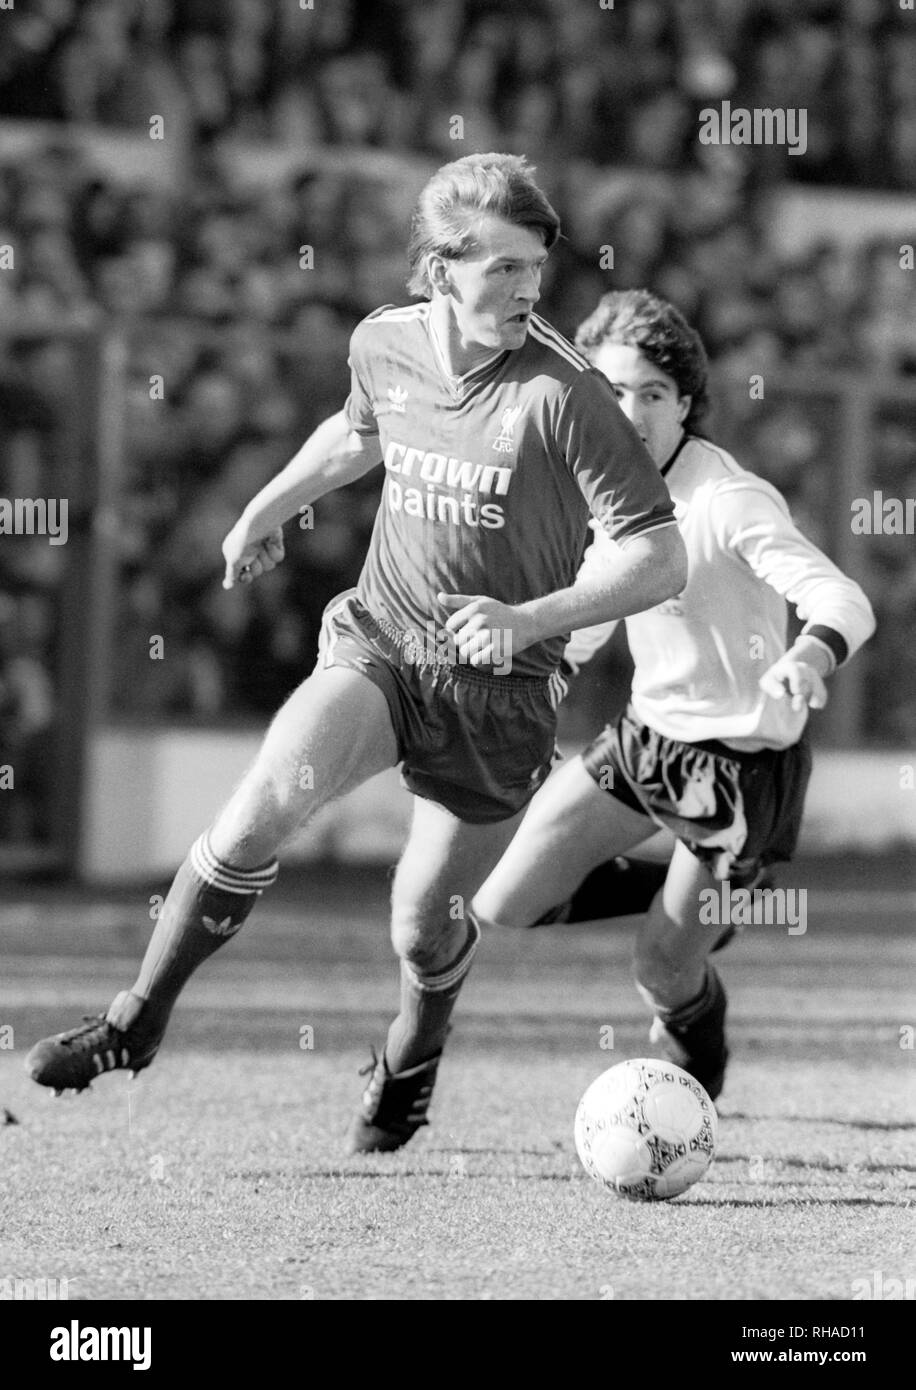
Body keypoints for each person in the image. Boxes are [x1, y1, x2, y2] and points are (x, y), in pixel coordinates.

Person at [26, 157, 686, 1152]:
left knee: (420, 926)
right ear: (435, 269)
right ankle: (136, 1019)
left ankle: (411, 1057)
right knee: (261, 808)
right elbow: (355, 432)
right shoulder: (384, 341)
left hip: (500, 695)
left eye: (533, 267)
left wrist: (525, 619)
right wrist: (263, 509)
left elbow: (659, 554)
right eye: (500, 268)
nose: (525, 288)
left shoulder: (564, 393)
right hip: (381, 640)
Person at [472, 288, 876, 1100]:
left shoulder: (729, 500)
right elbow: (587, 619)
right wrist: (532, 696)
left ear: (685, 404)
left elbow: (845, 601)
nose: (630, 411)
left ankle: (702, 1031)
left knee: (659, 966)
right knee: (501, 903)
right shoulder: (609, 500)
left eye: (652, 393)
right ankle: (702, 893)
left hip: (740, 767)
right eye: (612, 391)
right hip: (646, 741)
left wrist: (807, 655)